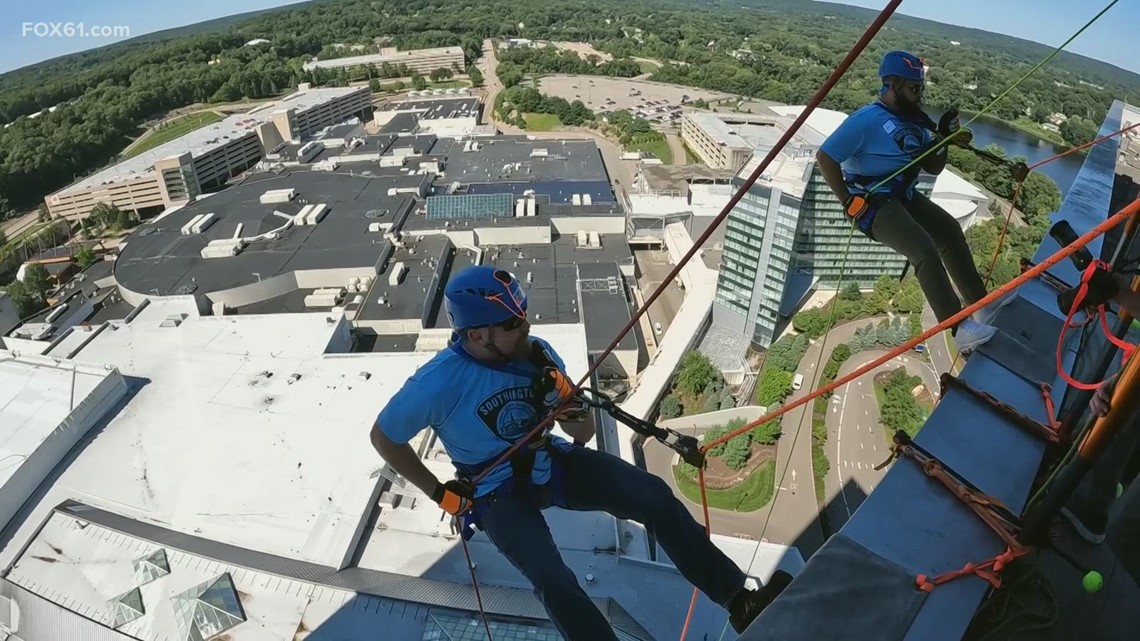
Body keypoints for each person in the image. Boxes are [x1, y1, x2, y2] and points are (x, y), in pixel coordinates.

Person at [370, 265, 792, 640]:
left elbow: (584, 433)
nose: (526, 325)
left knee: (654, 497)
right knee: (553, 580)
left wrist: (565, 402)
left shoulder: (537, 357)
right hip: (492, 490)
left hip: (548, 462)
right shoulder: (437, 383)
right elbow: (384, 437)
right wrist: (438, 491)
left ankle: (740, 600)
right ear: (478, 334)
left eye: (524, 314)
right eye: (514, 322)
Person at [816, 50, 1014, 353]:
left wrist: (943, 139)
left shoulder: (916, 122)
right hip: (871, 200)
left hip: (902, 194)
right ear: (893, 84)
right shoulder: (866, 120)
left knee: (948, 231)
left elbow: (932, 167)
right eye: (913, 88)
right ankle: (959, 328)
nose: (919, 94)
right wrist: (847, 201)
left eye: (920, 88)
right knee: (922, 248)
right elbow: (826, 156)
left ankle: (982, 304)